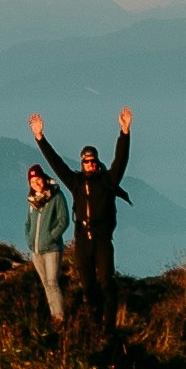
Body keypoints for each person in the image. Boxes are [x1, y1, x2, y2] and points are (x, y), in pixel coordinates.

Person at [28, 108, 137, 350]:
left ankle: (109, 329)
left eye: (93, 161)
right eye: (86, 161)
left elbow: (121, 160)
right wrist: (40, 138)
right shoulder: (75, 182)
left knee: (107, 282)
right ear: (82, 162)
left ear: (97, 162)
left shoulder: (108, 181)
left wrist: (125, 132)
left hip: (101, 238)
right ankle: (95, 326)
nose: (89, 164)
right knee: (88, 286)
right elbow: (56, 164)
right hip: (82, 239)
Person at [17, 157, 74, 330]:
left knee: (52, 282)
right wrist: (29, 239)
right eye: (32, 181)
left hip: (51, 249)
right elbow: (28, 223)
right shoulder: (32, 200)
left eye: (38, 179)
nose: (36, 183)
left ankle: (59, 317)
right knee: (45, 284)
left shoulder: (56, 196)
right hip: (36, 250)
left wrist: (51, 236)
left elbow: (63, 220)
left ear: (43, 178)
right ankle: (53, 315)